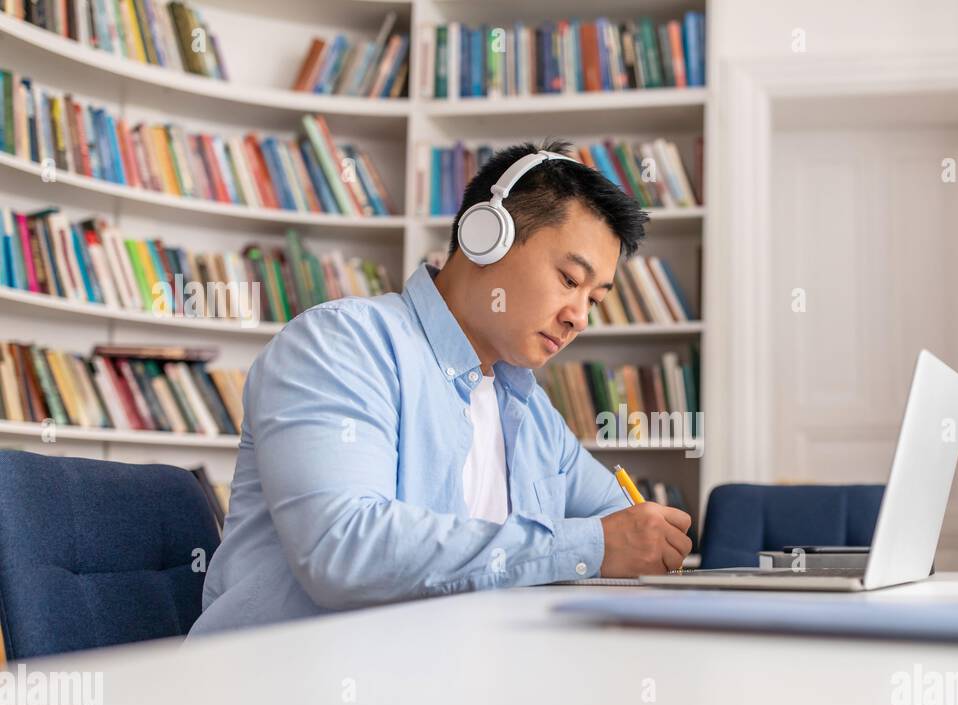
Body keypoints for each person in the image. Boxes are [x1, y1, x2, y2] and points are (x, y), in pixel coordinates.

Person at [189, 140, 692, 635]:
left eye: (595, 299)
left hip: (446, 688)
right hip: (286, 692)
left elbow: (623, 523)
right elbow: (343, 550)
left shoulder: (529, 408)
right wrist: (589, 546)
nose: (578, 317)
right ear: (485, 235)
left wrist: (643, 539)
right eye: (568, 279)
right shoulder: (342, 344)